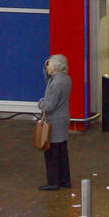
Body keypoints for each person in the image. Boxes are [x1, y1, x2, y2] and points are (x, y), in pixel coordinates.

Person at [37, 54, 72, 191]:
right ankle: (65, 180)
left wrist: (41, 103)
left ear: (56, 66)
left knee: (51, 153)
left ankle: (53, 182)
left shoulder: (56, 82)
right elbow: (48, 81)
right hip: (63, 119)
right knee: (62, 151)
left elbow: (50, 106)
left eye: (49, 64)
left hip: (54, 121)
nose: (48, 67)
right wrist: (45, 69)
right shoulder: (65, 79)